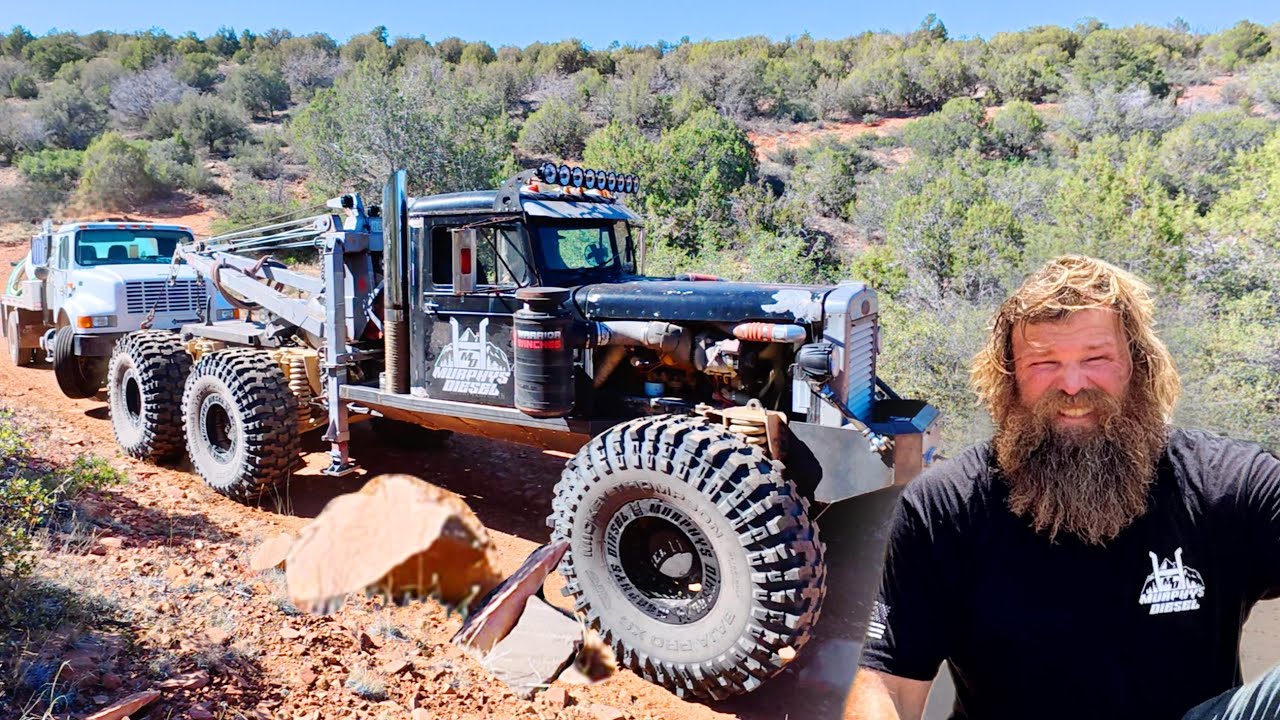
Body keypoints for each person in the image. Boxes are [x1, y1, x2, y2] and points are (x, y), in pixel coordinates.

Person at [848, 255, 1280, 720]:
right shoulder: (947, 507)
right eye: (1044, 362)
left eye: (1096, 358)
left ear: (1137, 364)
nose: (1073, 386)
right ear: (1009, 376)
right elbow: (888, 682)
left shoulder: (1227, 484)